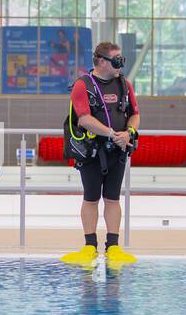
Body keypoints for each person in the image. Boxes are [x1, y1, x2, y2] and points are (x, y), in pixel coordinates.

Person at [59, 42, 140, 267]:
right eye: (116, 60)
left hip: (118, 150)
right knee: (91, 197)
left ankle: (113, 246)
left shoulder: (125, 85)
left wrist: (129, 132)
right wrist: (112, 133)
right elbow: (84, 118)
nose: (120, 64)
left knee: (113, 198)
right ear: (102, 61)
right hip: (92, 152)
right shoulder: (82, 85)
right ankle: (89, 246)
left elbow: (134, 114)